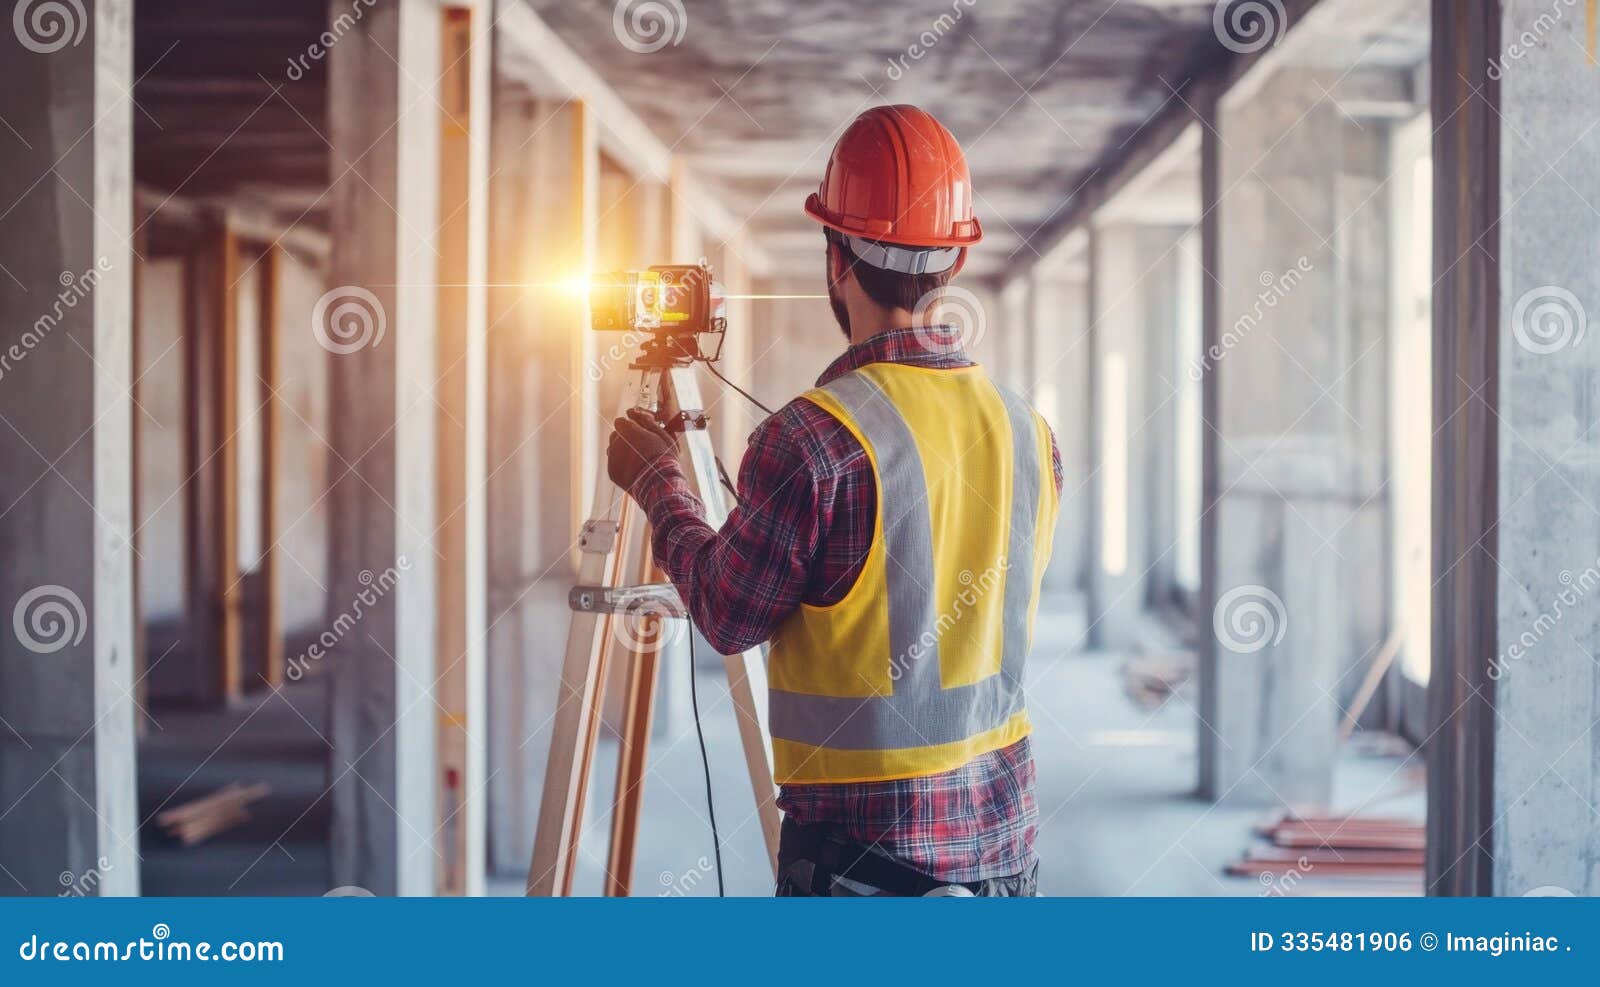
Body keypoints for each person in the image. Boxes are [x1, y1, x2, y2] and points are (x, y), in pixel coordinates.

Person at [606, 104, 1062, 896]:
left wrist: (657, 483)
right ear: (950, 264)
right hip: (1005, 852)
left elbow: (726, 611)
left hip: (870, 868)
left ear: (835, 259)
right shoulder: (1030, 429)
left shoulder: (812, 440)